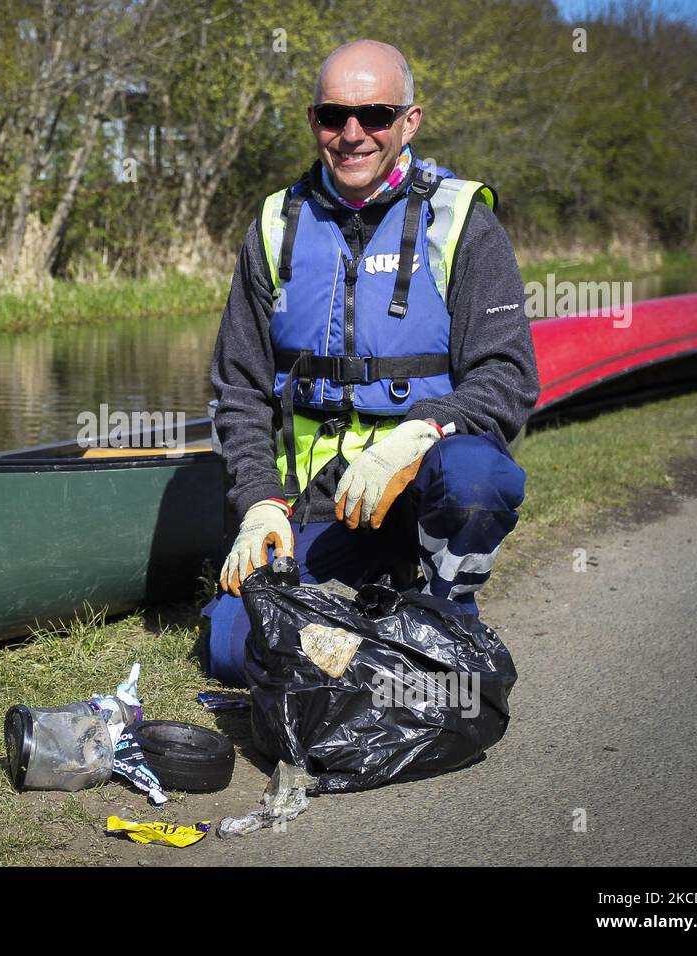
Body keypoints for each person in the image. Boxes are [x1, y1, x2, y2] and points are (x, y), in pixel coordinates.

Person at [204, 40, 539, 685]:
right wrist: (258, 502)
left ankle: (446, 608)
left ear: (409, 122)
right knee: (230, 648)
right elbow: (237, 391)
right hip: (317, 509)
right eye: (334, 117)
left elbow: (507, 378)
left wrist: (423, 434)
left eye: (376, 115)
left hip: (420, 497)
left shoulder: (463, 221)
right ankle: (388, 634)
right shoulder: (274, 225)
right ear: (314, 122)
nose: (353, 135)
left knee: (478, 477)